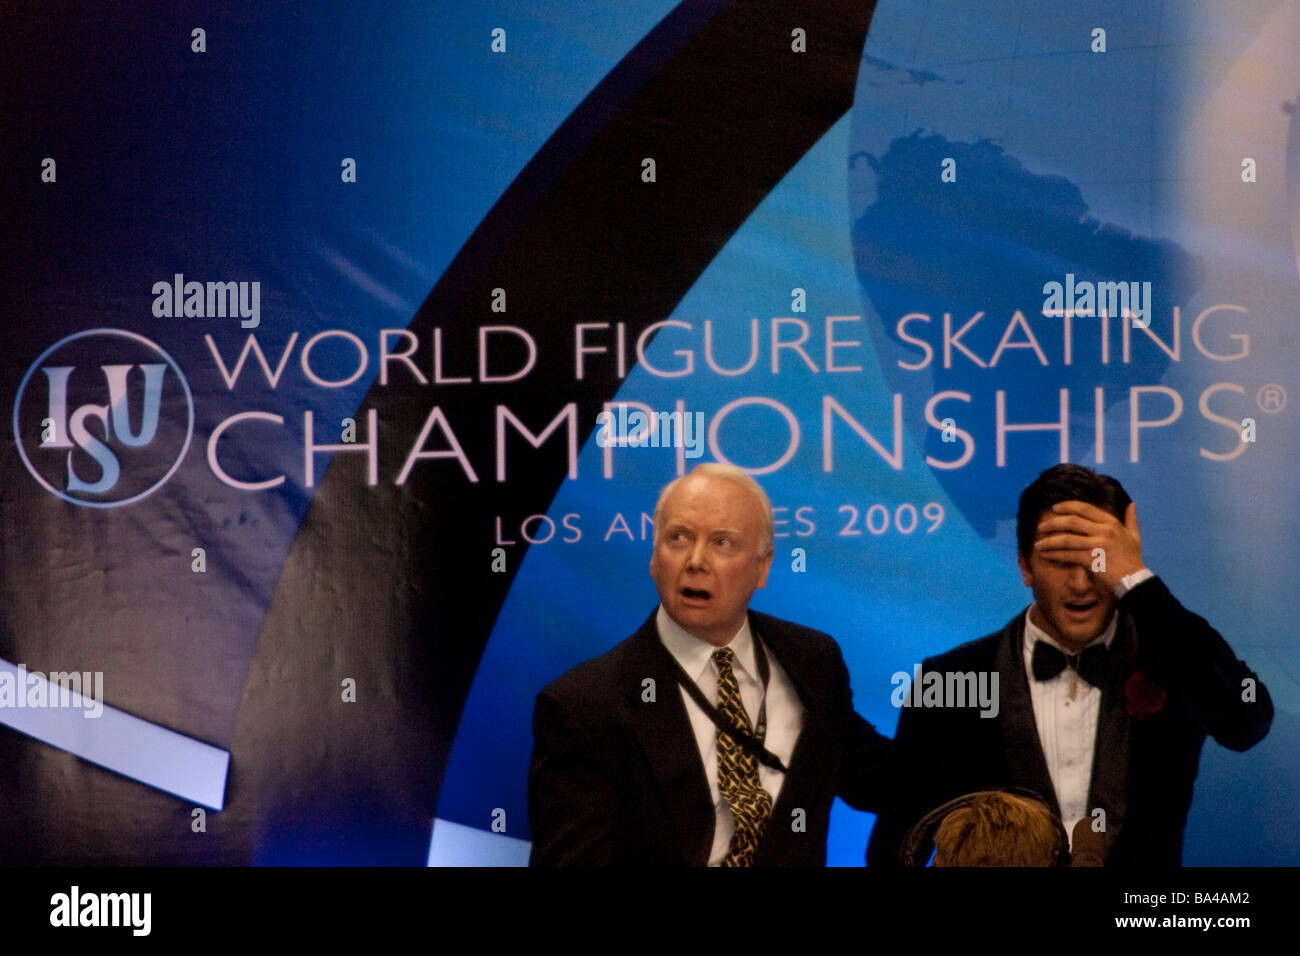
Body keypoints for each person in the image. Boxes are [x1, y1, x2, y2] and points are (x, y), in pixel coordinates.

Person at [867, 463, 1272, 867]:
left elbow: (1246, 722)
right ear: (1025, 565)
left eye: (1099, 560)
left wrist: (1137, 581)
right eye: (1061, 561)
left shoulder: (1174, 658)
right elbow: (896, 844)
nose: (1081, 584)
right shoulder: (949, 680)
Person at [528, 463, 891, 865]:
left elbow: (878, 778)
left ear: (763, 566)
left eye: (722, 543)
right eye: (678, 538)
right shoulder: (586, 706)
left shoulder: (812, 660)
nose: (696, 560)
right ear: (654, 557)